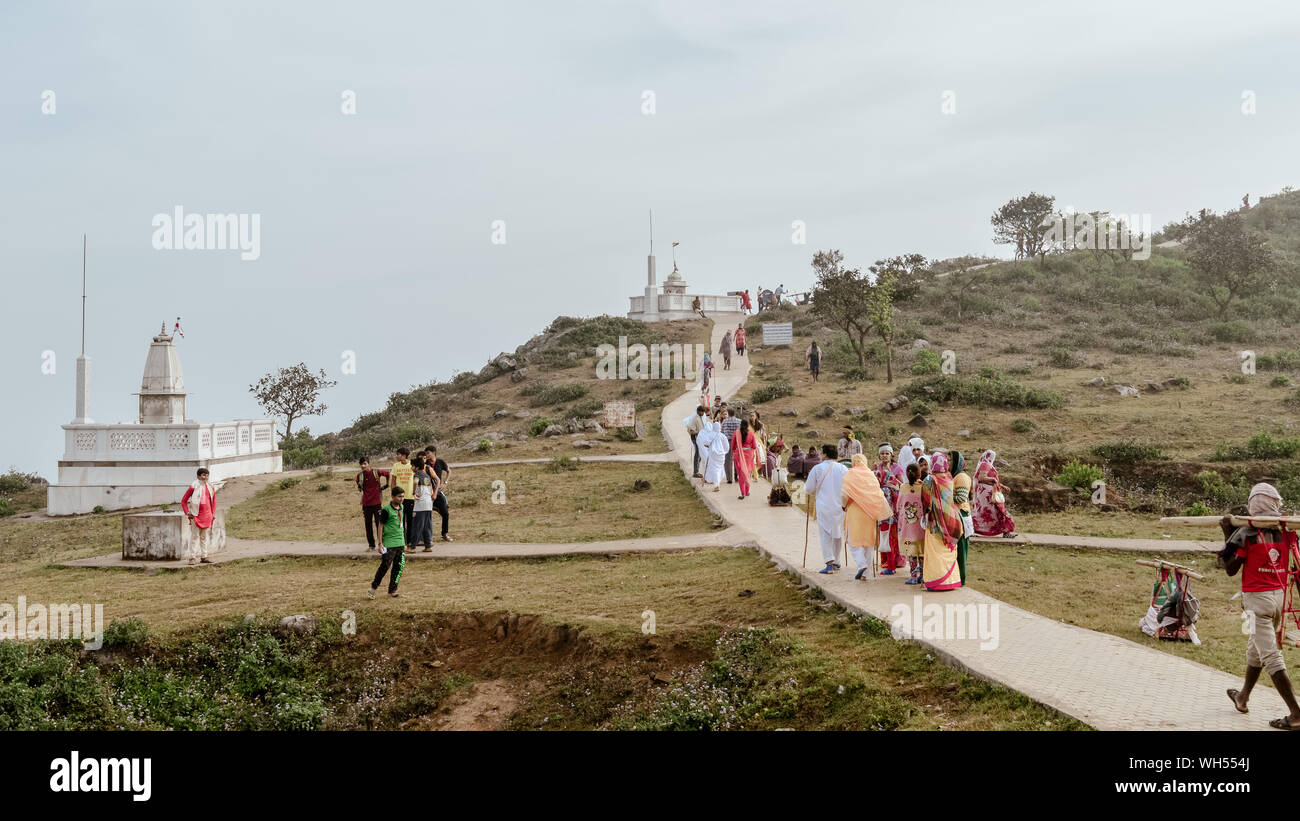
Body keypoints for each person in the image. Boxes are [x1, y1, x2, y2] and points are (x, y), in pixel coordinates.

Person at [1221, 483, 1300, 729]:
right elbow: (1296, 568)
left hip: (1256, 602)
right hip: (1278, 598)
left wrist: (1227, 532)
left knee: (1270, 656)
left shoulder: (1248, 532)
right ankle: (1242, 696)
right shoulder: (1286, 531)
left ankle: (1296, 714)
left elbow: (1230, 568)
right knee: (1256, 648)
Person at [842, 453, 895, 580]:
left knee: (853, 540)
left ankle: (861, 565)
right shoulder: (870, 474)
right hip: (869, 512)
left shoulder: (850, 474)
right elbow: (878, 493)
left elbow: (844, 494)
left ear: (854, 462)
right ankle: (866, 574)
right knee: (868, 542)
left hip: (854, 510)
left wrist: (843, 505)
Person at [920, 452, 963, 591]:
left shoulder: (929, 480)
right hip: (951, 518)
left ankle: (936, 582)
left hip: (935, 521)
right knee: (947, 550)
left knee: (934, 551)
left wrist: (925, 513)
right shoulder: (949, 477)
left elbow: (926, 501)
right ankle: (952, 580)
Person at [805, 445, 848, 574]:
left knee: (825, 535)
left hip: (824, 506)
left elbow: (808, 489)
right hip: (840, 506)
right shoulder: (844, 468)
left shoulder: (817, 469)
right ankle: (836, 561)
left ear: (824, 454)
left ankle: (829, 563)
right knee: (838, 533)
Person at [369, 487, 406, 598]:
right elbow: (380, 526)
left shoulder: (402, 507)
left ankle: (392, 590)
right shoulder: (386, 510)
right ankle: (373, 588)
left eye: (403, 496)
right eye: (399, 496)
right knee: (385, 566)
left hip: (400, 542)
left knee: (399, 566)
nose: (401, 499)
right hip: (389, 543)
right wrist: (380, 543)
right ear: (393, 497)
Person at [874, 444, 906, 575]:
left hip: (893, 505)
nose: (884, 456)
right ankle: (886, 561)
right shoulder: (877, 468)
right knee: (884, 535)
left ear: (891, 455)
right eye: (882, 454)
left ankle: (896, 561)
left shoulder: (897, 468)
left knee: (892, 535)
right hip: (882, 505)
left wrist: (890, 477)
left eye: (887, 453)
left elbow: (902, 485)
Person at [972, 450, 1016, 537]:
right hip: (988, 495)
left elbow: (989, 480)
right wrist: (994, 480)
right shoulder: (986, 464)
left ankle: (972, 529)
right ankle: (1006, 532)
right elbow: (982, 478)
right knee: (998, 511)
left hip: (988, 493)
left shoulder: (985, 464)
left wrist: (1001, 485)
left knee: (986, 512)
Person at [180, 467, 218, 565]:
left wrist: (213, 514)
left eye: (207, 475)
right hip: (195, 515)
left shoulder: (210, 486)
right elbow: (183, 501)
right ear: (198, 476)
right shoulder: (193, 486)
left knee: (204, 537)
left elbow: (213, 502)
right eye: (204, 475)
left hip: (207, 515)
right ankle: (192, 557)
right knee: (194, 537)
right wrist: (187, 512)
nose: (206, 477)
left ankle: (204, 556)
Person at [897, 463, 926, 584]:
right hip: (921, 526)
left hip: (907, 527)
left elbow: (899, 506)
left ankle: (913, 576)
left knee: (911, 551)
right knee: (922, 552)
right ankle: (924, 576)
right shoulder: (924, 487)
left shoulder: (903, 487)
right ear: (919, 473)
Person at [355, 457, 390, 550]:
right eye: (361, 464)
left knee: (379, 524)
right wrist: (360, 487)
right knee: (368, 525)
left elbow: (388, 474)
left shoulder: (376, 472)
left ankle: (381, 543)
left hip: (377, 503)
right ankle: (371, 545)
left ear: (369, 464)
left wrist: (386, 485)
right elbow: (359, 488)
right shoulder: (359, 476)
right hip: (366, 504)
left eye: (365, 463)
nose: (363, 466)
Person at [951, 451, 973, 585]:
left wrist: (943, 497)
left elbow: (961, 498)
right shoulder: (955, 476)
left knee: (961, 548)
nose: (947, 463)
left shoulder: (962, 477)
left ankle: (961, 579)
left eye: (950, 461)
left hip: (962, 514)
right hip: (956, 513)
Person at [422, 445, 453, 542]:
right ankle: (425, 538)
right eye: (426, 454)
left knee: (445, 513)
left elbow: (449, 471)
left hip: (438, 492)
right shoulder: (425, 464)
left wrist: (445, 482)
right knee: (425, 515)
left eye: (428, 453)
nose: (427, 455)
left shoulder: (440, 462)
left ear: (434, 452)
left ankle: (444, 533)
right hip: (427, 493)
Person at [390, 448, 416, 548]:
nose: (397, 456)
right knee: (399, 521)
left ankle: (409, 541)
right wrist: (393, 494)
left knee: (410, 521)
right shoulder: (396, 466)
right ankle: (401, 541)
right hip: (399, 498)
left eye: (398, 454)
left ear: (404, 455)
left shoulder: (411, 465)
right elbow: (393, 481)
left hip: (410, 497)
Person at [410, 456, 435, 552]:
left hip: (420, 504)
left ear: (416, 467)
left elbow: (416, 482)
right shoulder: (426, 475)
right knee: (426, 525)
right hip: (428, 504)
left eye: (412, 466)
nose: (411, 468)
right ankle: (428, 546)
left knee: (417, 525)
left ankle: (412, 547)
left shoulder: (417, 474)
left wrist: (413, 493)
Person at [732, 419, 758, 500]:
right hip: (748, 455)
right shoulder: (751, 433)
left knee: (741, 474)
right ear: (748, 425)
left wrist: (737, 449)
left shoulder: (736, 433)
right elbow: (754, 446)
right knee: (747, 473)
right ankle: (747, 492)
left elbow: (732, 446)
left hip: (738, 455)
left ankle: (742, 493)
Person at [703, 421, 730, 492]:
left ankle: (716, 485)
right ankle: (717, 481)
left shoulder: (710, 435)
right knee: (719, 468)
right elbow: (727, 446)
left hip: (713, 454)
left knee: (715, 469)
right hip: (721, 455)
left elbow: (705, 443)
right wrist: (724, 452)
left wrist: (709, 445)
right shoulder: (722, 435)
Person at [720, 409, 742, 484]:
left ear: (728, 413)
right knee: (737, 459)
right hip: (737, 442)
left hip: (727, 441)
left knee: (728, 460)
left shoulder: (724, 421)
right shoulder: (739, 421)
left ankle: (729, 478)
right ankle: (737, 476)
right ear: (735, 413)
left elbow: (722, 432)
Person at [686, 405, 708, 477]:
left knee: (700, 454)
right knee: (697, 454)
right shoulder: (695, 419)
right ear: (699, 411)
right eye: (702, 412)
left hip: (700, 438)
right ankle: (695, 472)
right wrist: (698, 433)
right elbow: (691, 430)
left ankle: (697, 470)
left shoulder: (700, 418)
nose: (703, 413)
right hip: (695, 438)